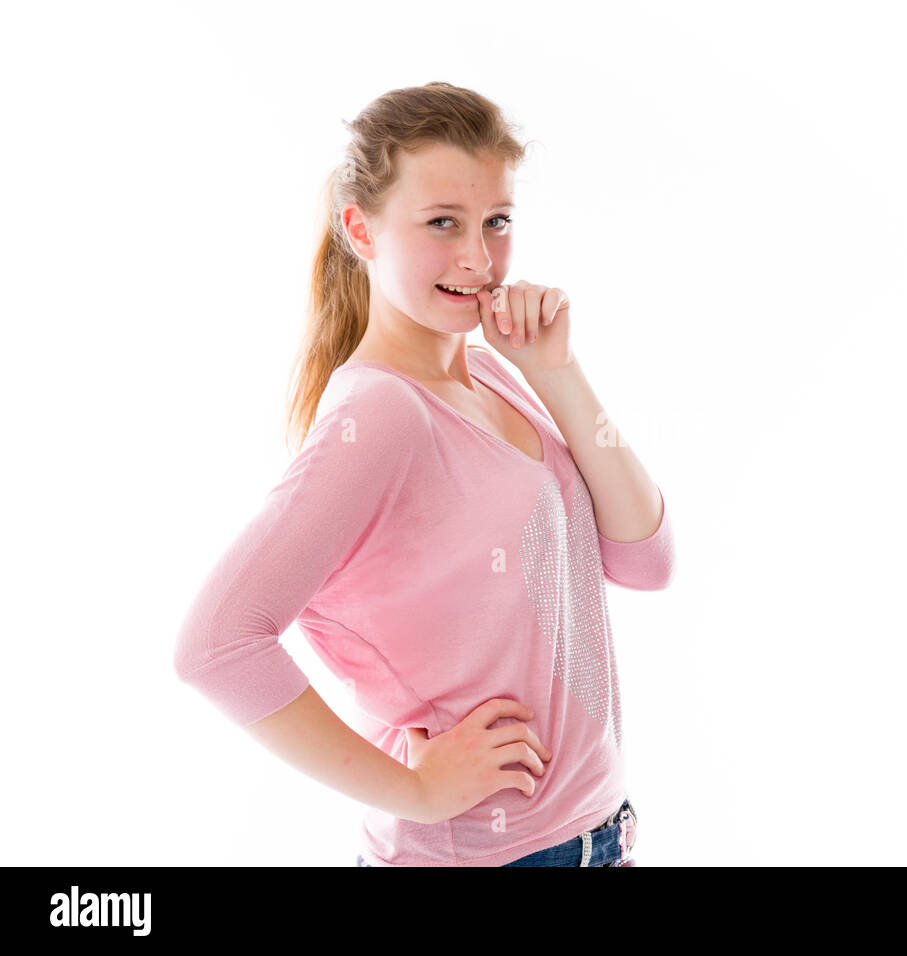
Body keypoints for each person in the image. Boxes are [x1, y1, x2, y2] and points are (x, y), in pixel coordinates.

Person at [172, 82, 674, 867]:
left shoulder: (493, 375)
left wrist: (559, 373)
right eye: (442, 223)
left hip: (598, 836)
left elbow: (648, 560)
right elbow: (214, 645)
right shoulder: (382, 414)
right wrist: (411, 791)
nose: (478, 259)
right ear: (360, 231)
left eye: (495, 222)